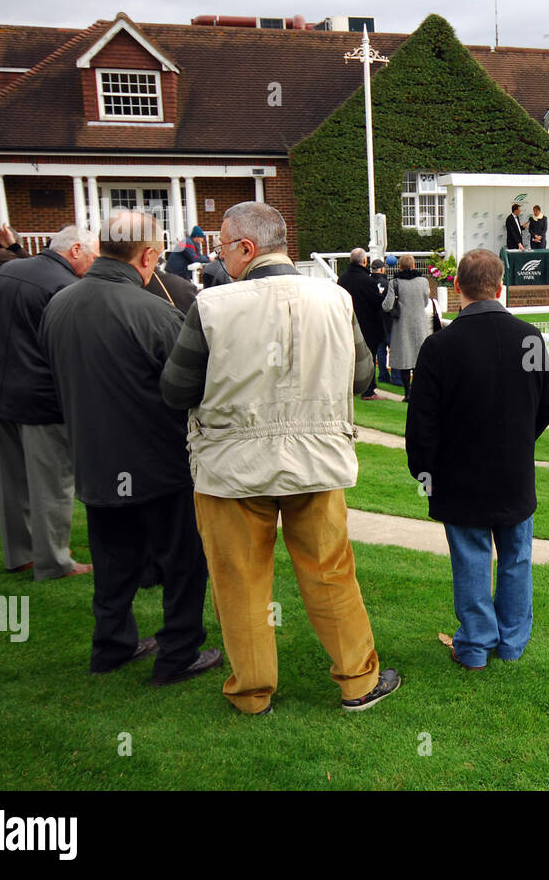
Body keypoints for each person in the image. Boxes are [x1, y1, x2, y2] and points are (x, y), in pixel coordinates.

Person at [161, 201, 398, 715]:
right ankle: (358, 681)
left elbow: (176, 389)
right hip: (316, 458)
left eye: (222, 246)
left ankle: (251, 694)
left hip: (231, 467)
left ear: (246, 248)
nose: (217, 257)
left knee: (240, 582)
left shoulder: (213, 306)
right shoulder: (335, 299)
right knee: (330, 571)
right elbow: (362, 379)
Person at [40, 208, 220, 685]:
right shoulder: (155, 311)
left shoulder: (58, 304)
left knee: (113, 560)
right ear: (147, 256)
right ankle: (178, 653)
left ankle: (112, 646)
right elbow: (188, 387)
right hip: (158, 463)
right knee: (182, 561)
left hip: (95, 461)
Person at [405, 248, 549, 669]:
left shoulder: (440, 346)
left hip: (460, 474)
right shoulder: (529, 337)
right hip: (511, 472)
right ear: (500, 287)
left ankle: (475, 647)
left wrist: (424, 471)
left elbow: (422, 423)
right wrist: (520, 443)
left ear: (457, 288)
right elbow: (548, 404)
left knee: (473, 558)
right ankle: (507, 643)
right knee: (515, 557)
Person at [0, 225, 98, 580]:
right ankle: (54, 562)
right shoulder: (67, 288)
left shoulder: (6, 270)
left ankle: (20, 554)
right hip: (42, 400)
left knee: (10, 480)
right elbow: (72, 350)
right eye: (92, 257)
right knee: (51, 483)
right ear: (75, 250)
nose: (93, 265)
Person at [338, 247, 387, 400]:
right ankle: (368, 390)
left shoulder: (342, 278)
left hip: (347, 323)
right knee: (369, 358)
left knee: (349, 356)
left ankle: (349, 388)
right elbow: (377, 303)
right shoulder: (367, 281)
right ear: (364, 261)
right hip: (368, 325)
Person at [382, 253, 431, 400]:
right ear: (414, 265)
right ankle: (417, 393)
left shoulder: (394, 283)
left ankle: (407, 393)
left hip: (402, 323)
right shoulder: (423, 281)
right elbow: (426, 302)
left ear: (400, 266)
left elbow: (387, 306)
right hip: (419, 324)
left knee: (405, 360)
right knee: (418, 359)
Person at [371, 257, 395, 385]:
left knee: (380, 350)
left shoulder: (368, 281)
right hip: (388, 320)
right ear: (382, 269)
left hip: (374, 320)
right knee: (393, 348)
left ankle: (382, 375)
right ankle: (396, 377)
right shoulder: (387, 283)